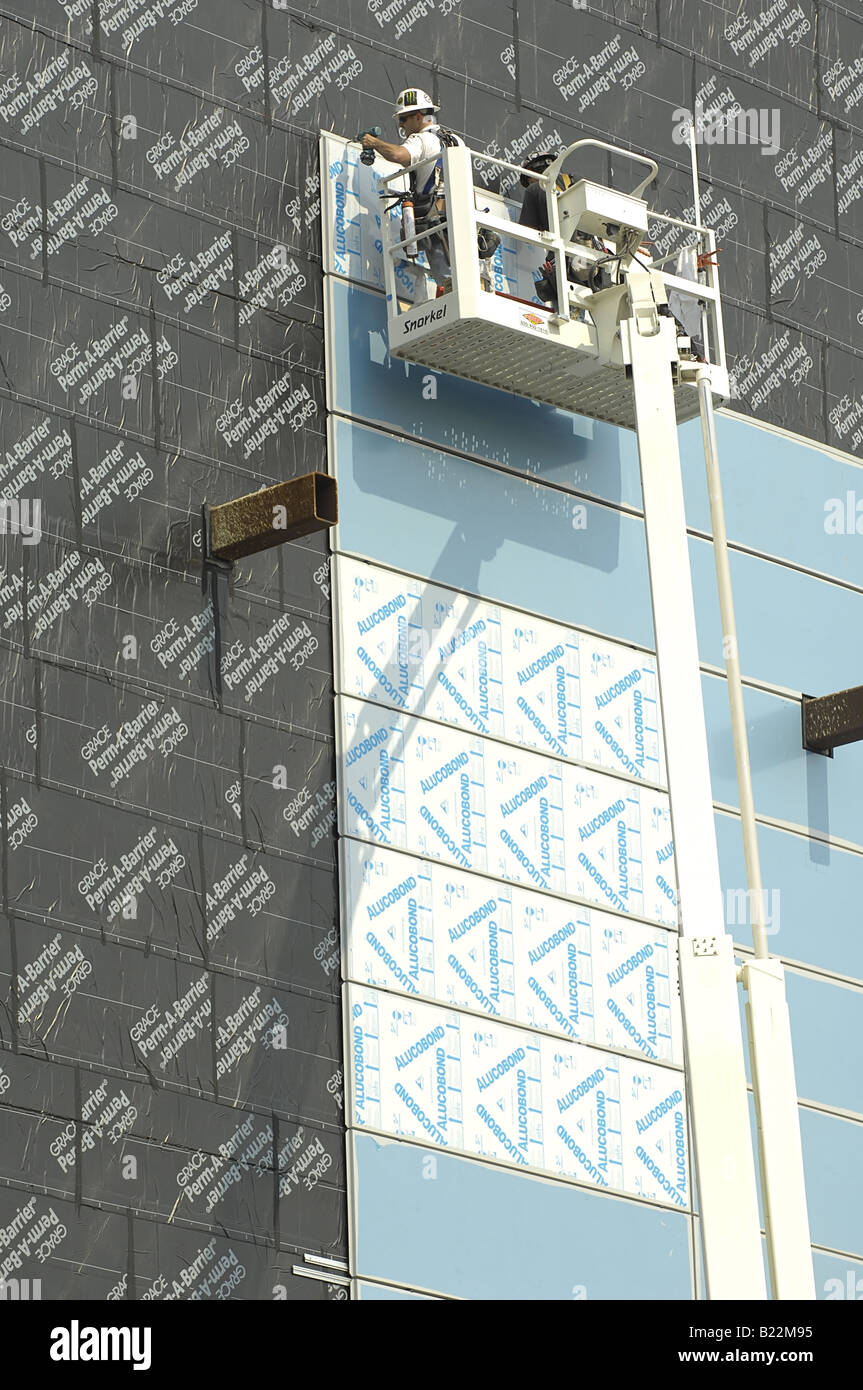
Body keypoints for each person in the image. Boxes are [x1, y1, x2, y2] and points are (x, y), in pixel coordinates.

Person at [362, 89, 465, 294]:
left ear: (418, 117)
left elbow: (398, 155)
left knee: (449, 282)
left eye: (403, 119)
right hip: (461, 216)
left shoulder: (421, 139)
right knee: (463, 273)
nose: (400, 125)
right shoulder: (455, 139)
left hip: (437, 220)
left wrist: (374, 143)